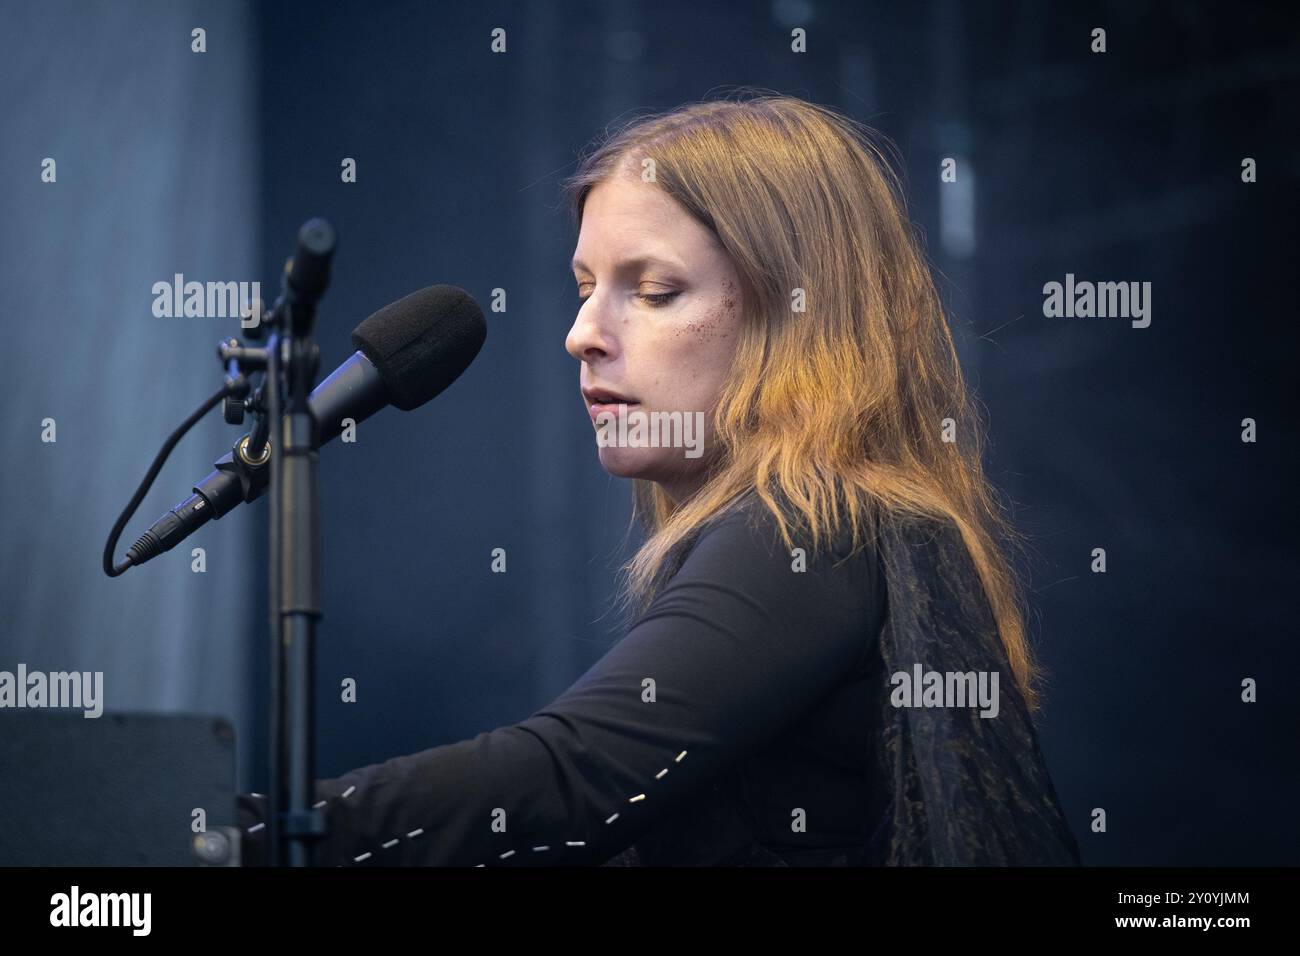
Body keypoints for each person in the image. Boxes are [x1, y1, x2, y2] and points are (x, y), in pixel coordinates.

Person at [238, 93, 1080, 867]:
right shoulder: (814, 527)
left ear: (796, 318)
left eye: (652, 290)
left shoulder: (809, 530)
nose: (582, 335)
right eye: (584, 288)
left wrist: (234, 839)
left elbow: (572, 778)